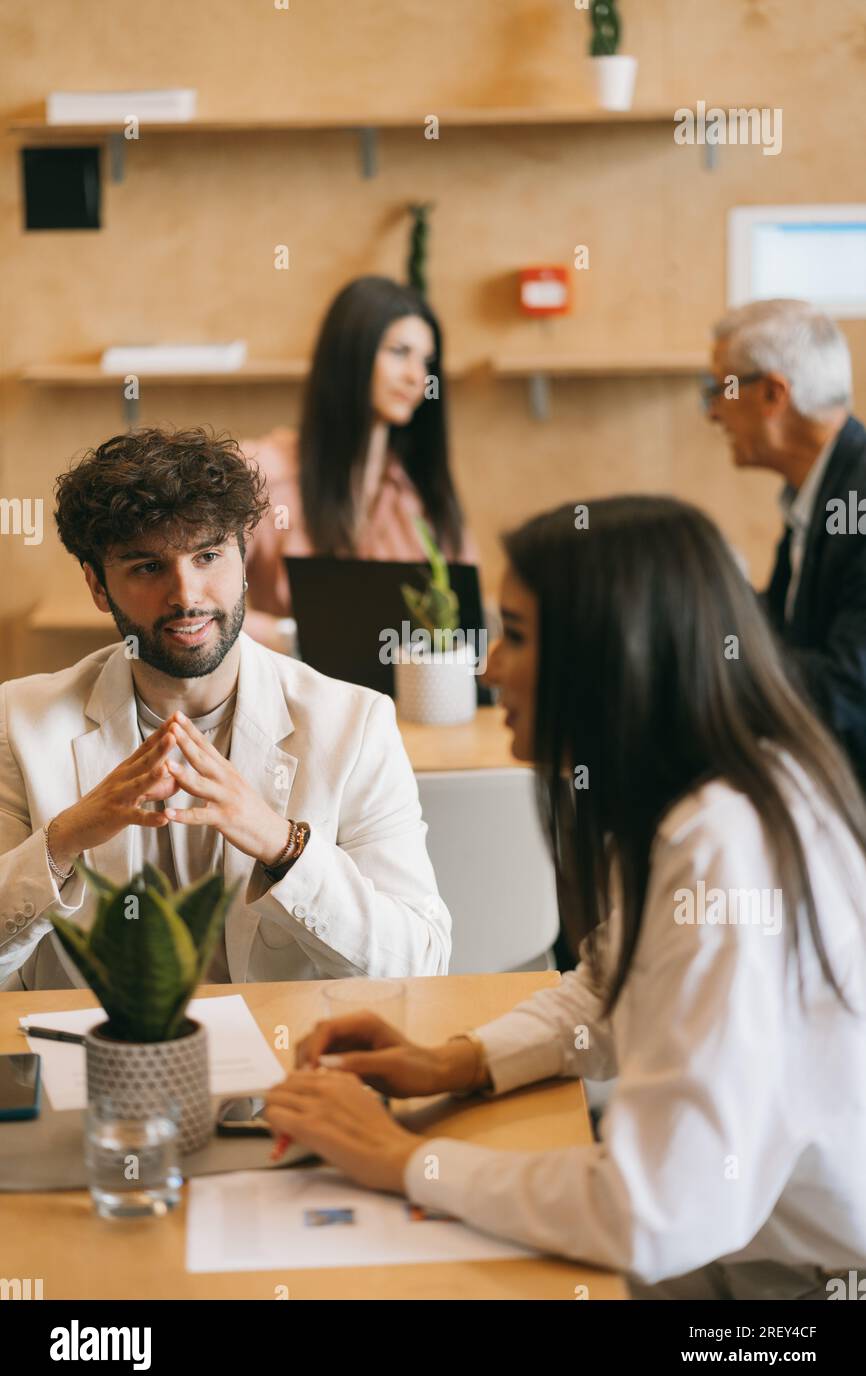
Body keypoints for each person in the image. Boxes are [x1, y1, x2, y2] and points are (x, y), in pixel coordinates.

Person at [265, 497, 866, 1299]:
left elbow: (647, 1213)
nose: (489, 668)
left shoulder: (721, 846)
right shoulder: (707, 794)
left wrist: (404, 1159)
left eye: (514, 634)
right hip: (759, 1249)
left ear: (610, 654)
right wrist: (456, 1059)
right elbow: (610, 983)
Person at [0, 427, 450, 990]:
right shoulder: (19, 720)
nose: (186, 595)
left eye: (207, 555)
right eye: (146, 567)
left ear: (243, 557)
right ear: (97, 584)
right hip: (94, 1070)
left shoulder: (354, 724)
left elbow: (421, 965)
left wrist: (283, 846)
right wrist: (63, 840)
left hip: (288, 1068)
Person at [241, 275, 478, 650]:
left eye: (426, 361)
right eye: (400, 352)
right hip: (296, 695)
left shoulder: (421, 487)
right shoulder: (262, 473)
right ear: (349, 355)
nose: (418, 377)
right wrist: (293, 638)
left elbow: (465, 618)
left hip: (408, 702)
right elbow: (199, 605)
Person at [706, 297, 866, 791]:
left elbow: (847, 690)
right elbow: (781, 632)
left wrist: (710, 659)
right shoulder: (816, 493)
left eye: (722, 388)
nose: (713, 411)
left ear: (773, 393)